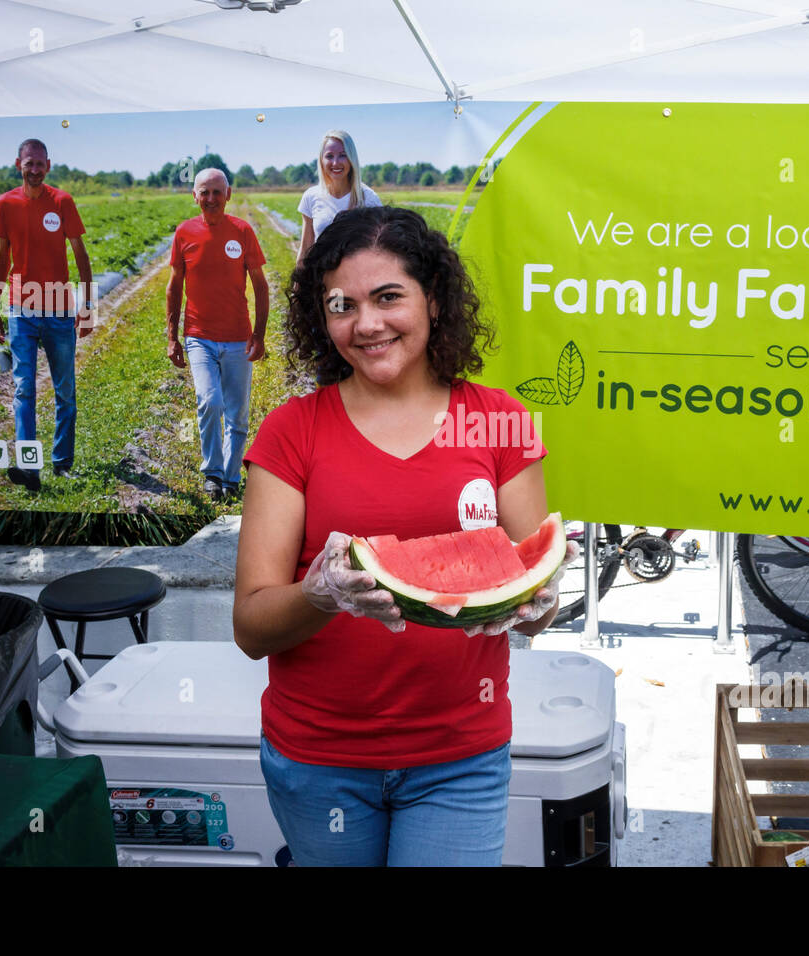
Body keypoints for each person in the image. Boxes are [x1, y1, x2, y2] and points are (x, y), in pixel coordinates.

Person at [233, 206, 575, 866]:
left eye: (389, 297)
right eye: (342, 305)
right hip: (318, 759)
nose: (367, 324)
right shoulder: (290, 432)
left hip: (461, 758)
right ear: (320, 317)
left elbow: (534, 607)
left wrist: (540, 600)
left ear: (435, 301)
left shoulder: (499, 422)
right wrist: (321, 594)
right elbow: (250, 628)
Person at [0, 138, 94, 491]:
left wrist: (87, 304)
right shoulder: (5, 204)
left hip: (59, 309)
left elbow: (81, 255)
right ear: (18, 163)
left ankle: (62, 463)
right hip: (21, 309)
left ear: (48, 165)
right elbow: (3, 257)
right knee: (23, 388)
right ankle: (29, 467)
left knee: (64, 390)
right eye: (28, 163)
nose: (34, 170)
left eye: (39, 164)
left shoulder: (62, 201)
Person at [166, 168, 269, 502]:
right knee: (210, 401)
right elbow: (174, 287)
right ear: (194, 196)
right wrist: (172, 336)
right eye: (204, 192)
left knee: (238, 412)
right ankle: (212, 471)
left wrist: (259, 334)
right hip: (199, 336)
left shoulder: (242, 231)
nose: (211, 199)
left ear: (229, 194)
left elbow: (261, 285)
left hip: (238, 337)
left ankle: (230, 476)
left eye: (217, 192)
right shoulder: (184, 233)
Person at [295, 129, 382, 264]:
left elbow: (378, 251)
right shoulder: (311, 197)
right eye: (329, 156)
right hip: (321, 280)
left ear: (352, 159)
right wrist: (297, 284)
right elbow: (306, 248)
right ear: (321, 160)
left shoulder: (369, 199)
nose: (335, 163)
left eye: (343, 155)